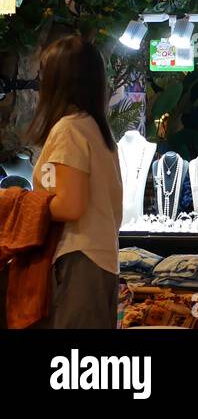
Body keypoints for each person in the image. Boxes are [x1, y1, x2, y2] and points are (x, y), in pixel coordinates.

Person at [26, 36, 123, 329]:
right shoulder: (94, 128)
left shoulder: (69, 129)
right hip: (97, 258)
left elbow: (71, 205)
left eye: (45, 73)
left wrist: (22, 203)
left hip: (78, 259)